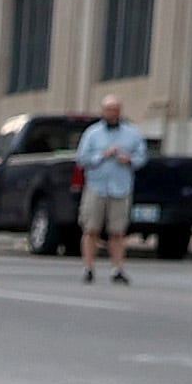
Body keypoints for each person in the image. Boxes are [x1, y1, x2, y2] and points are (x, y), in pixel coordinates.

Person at [75, 95, 149, 284]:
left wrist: (129, 160)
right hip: (96, 187)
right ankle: (89, 268)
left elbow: (142, 158)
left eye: (116, 109)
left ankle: (117, 269)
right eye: (109, 109)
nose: (113, 113)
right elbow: (82, 159)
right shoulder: (93, 133)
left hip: (120, 188)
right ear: (103, 111)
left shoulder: (132, 133)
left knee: (117, 231)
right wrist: (103, 155)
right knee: (91, 229)